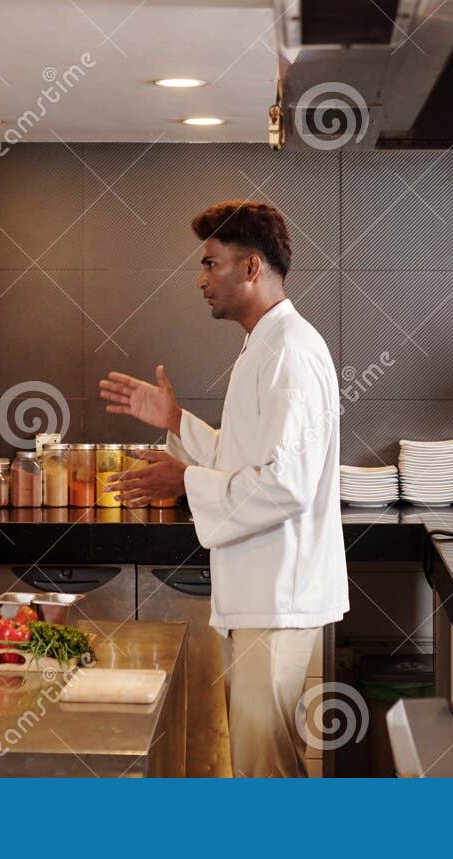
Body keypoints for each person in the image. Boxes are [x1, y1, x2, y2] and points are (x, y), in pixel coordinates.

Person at [101, 200, 347, 777]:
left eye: (211, 264)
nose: (201, 279)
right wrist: (175, 422)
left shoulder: (290, 350)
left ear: (252, 267)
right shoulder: (264, 345)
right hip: (261, 592)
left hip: (278, 595)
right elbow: (245, 461)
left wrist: (183, 479)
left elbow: (285, 484)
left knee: (267, 770)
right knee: (260, 765)